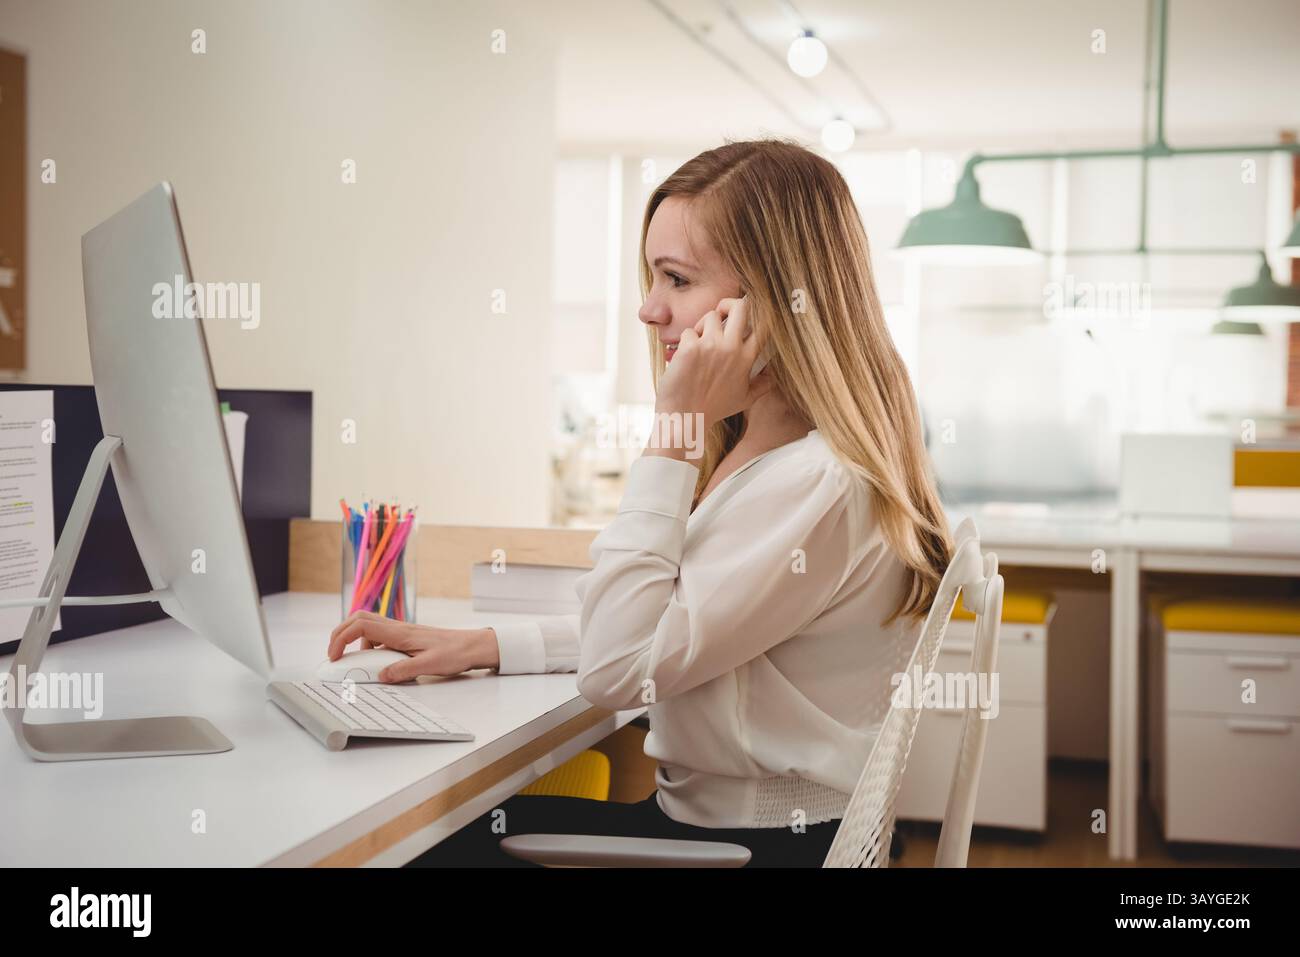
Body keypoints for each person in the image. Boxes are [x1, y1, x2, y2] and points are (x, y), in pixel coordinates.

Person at [326, 139, 953, 867]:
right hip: (738, 832)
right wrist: (488, 645)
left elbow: (619, 668)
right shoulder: (774, 456)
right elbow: (676, 629)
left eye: (677, 279)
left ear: (778, 302)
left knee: (419, 843)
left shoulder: (813, 483)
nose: (648, 309)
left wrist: (673, 433)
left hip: (745, 847)